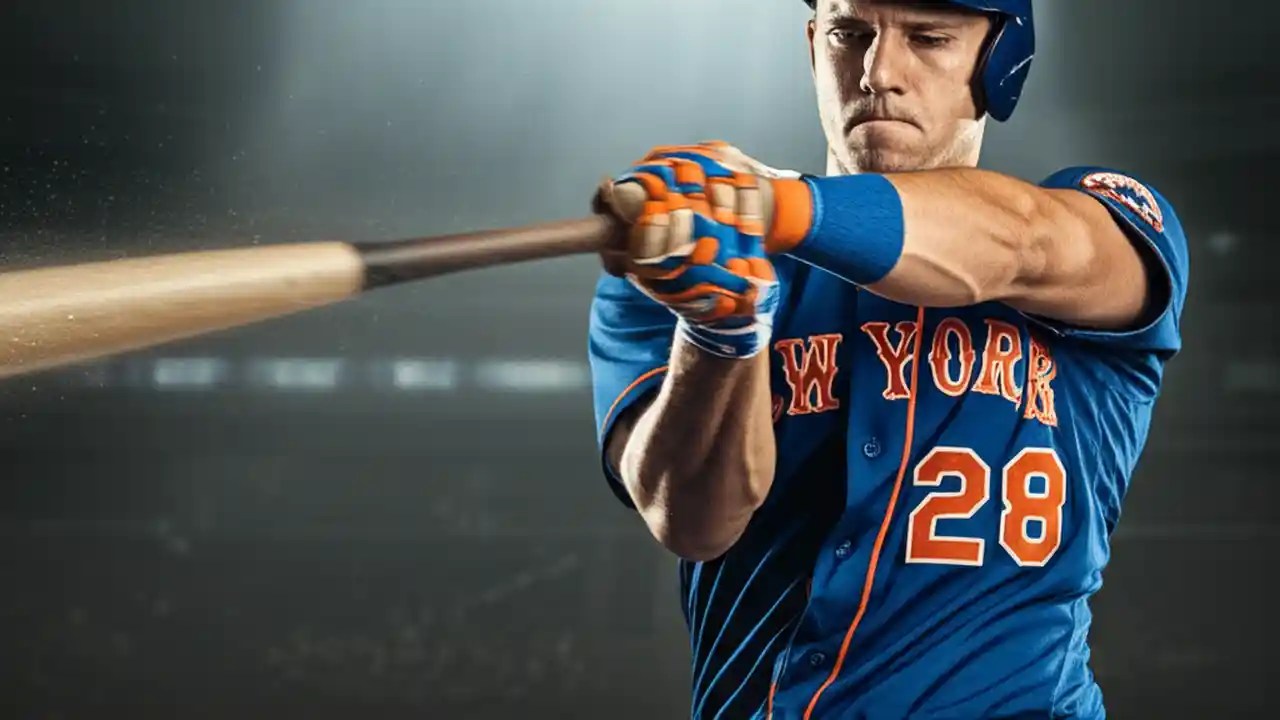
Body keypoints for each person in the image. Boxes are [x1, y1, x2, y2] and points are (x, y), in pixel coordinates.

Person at [586, 0, 1188, 717]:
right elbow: (694, 523)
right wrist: (720, 331)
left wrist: (773, 206)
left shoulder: (1103, 221)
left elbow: (1024, 241)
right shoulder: (684, 271)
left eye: (929, 38)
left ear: (1002, 62)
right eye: (851, 34)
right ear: (815, 47)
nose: (878, 73)